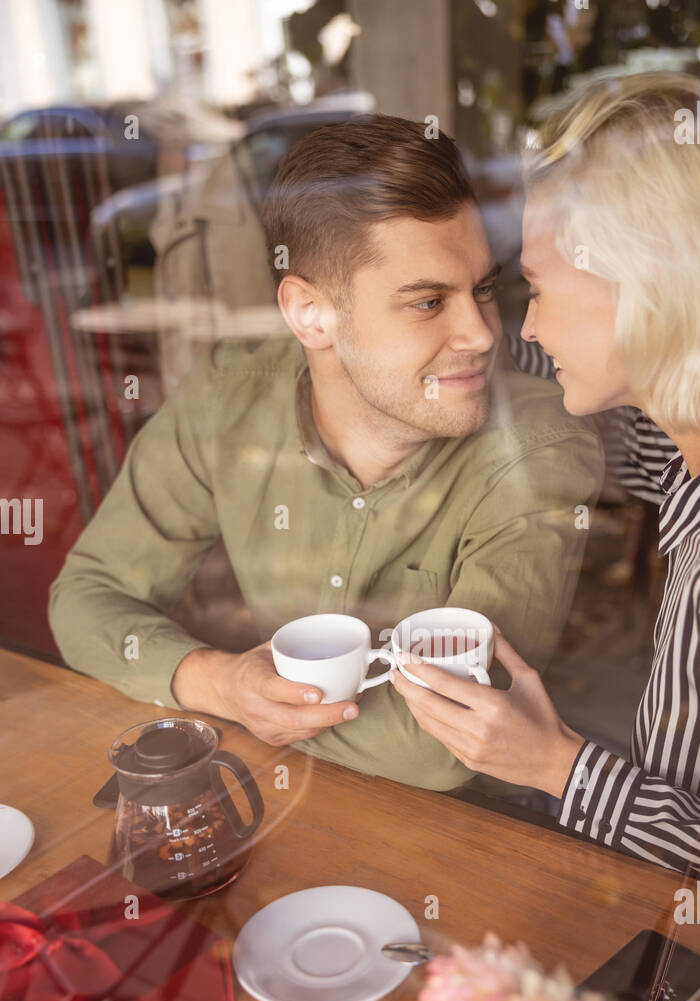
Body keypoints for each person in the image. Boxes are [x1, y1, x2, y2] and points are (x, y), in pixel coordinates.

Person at [392, 73, 700, 915]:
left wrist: (557, 765)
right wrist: (450, 338)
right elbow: (605, 403)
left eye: (535, 288)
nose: (528, 324)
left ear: (650, 286)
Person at [49, 115, 602, 793]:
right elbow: (84, 599)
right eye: (428, 302)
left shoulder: (539, 446)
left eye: (484, 289)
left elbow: (440, 749)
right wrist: (225, 684)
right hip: (278, 812)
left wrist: (238, 704)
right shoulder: (229, 399)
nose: (483, 334)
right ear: (310, 315)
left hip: (466, 848)